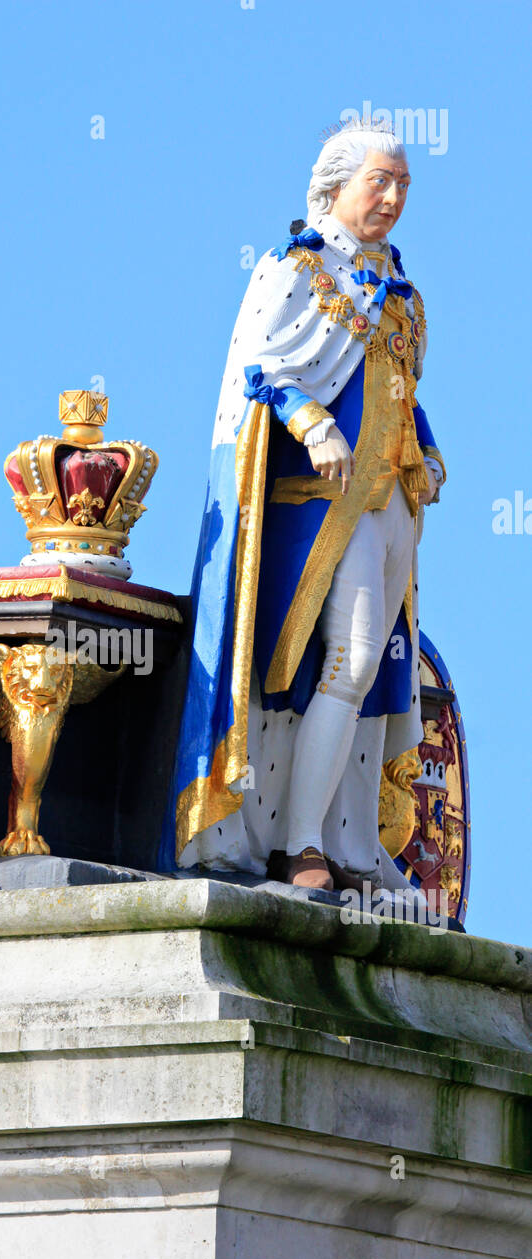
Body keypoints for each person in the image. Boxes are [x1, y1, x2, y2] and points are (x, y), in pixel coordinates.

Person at [164, 118, 446, 893]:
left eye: (402, 185)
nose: (391, 198)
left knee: (379, 680)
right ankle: (300, 847)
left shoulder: (402, 292)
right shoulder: (299, 267)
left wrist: (428, 448)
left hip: (393, 506)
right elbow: (263, 367)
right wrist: (311, 421)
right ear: (335, 186)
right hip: (325, 505)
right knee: (347, 664)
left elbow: (396, 390)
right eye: (377, 181)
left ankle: (351, 844)